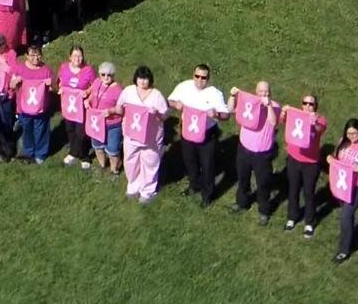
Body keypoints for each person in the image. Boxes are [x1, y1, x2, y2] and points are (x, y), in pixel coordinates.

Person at [168, 64, 230, 208]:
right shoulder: (184, 87)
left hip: (207, 134)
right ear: (193, 75)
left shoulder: (215, 93)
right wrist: (175, 104)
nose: (200, 80)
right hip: (187, 131)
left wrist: (216, 114)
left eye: (203, 77)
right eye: (197, 76)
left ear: (208, 78)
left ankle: (207, 195)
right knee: (190, 161)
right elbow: (168, 101)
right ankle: (194, 185)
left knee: (207, 165)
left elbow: (226, 115)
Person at [228, 82, 280, 226]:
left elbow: (273, 122)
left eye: (266, 91)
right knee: (242, 178)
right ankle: (241, 202)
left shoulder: (274, 106)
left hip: (262, 155)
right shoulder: (249, 103)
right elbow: (230, 109)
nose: (264, 94)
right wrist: (233, 96)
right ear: (256, 92)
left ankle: (264, 211)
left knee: (263, 183)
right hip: (244, 149)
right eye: (261, 91)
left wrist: (268, 105)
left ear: (270, 93)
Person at [325, 118, 358, 262]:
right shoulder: (343, 142)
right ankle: (349, 233)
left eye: (354, 134)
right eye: (349, 134)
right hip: (342, 183)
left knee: (345, 216)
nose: (351, 137)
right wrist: (330, 158)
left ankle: (344, 250)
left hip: (356, 186)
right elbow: (336, 157)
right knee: (347, 214)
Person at [280, 94, 328, 237]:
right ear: (301, 104)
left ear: (315, 106)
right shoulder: (296, 115)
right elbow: (282, 120)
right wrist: (284, 111)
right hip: (294, 159)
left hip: (310, 164)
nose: (307, 106)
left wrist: (314, 123)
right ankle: (292, 217)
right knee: (293, 190)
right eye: (305, 103)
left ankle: (309, 222)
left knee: (309, 193)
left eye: (311, 104)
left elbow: (320, 129)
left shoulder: (320, 120)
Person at [119, 66, 169, 203]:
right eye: (140, 78)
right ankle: (133, 186)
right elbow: (120, 107)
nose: (142, 81)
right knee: (130, 162)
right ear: (136, 78)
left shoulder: (156, 95)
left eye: (145, 78)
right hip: (131, 135)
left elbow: (165, 115)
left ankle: (148, 191)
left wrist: (156, 114)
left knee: (150, 163)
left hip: (151, 138)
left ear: (150, 80)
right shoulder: (128, 91)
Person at [57, 46, 96, 169]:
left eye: (79, 56)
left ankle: (84, 155)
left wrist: (87, 91)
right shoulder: (63, 68)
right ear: (70, 57)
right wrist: (60, 87)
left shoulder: (88, 70)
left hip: (82, 106)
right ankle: (73, 152)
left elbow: (95, 85)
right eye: (75, 56)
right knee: (70, 129)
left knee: (81, 132)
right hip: (68, 105)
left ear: (83, 57)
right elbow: (60, 81)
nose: (77, 58)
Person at [84, 61, 124, 174]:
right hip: (96, 122)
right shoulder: (97, 82)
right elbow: (93, 94)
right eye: (103, 74)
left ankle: (114, 170)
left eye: (109, 75)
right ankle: (102, 165)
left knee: (112, 150)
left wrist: (111, 111)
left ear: (113, 75)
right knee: (97, 146)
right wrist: (88, 101)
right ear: (99, 74)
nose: (106, 77)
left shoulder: (118, 90)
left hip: (112, 125)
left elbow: (122, 110)